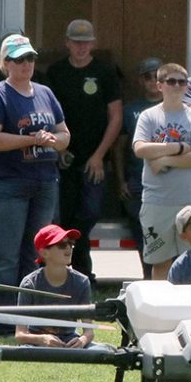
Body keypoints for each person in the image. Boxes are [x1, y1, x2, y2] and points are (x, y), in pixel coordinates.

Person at [0, 35, 70, 336]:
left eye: (30, 58)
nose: (26, 64)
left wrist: (53, 141)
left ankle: (27, 324)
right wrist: (32, 139)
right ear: (5, 64)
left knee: (35, 255)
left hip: (43, 182)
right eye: (18, 59)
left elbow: (64, 134)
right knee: (6, 256)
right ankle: (3, 326)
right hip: (5, 184)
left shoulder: (45, 93)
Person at [45, 19, 122, 281]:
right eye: (76, 42)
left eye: (86, 42)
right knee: (64, 216)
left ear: (93, 43)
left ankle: (79, 270)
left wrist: (100, 156)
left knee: (89, 213)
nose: (81, 47)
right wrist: (57, 150)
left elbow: (116, 117)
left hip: (94, 159)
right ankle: (78, 273)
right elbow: (48, 116)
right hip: (64, 158)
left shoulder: (105, 71)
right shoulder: (55, 72)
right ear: (67, 43)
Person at [132, 63, 191, 280]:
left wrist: (165, 158)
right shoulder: (148, 117)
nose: (177, 86)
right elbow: (140, 148)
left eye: (182, 82)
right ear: (160, 86)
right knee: (160, 262)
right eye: (171, 81)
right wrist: (178, 148)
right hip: (157, 202)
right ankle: (161, 310)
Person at [114, 57, 163, 278]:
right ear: (141, 80)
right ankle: (148, 277)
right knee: (144, 235)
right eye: (148, 77)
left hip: (166, 181)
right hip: (136, 181)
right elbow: (119, 148)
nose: (153, 81)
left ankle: (166, 279)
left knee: (164, 234)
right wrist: (120, 180)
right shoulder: (131, 109)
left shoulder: (173, 106)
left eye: (157, 76)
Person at [15, 224, 94, 348]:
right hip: (36, 341)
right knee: (24, 350)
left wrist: (82, 340)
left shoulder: (82, 282)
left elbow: (88, 331)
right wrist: (43, 339)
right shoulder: (30, 284)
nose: (68, 248)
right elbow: (20, 335)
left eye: (71, 243)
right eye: (62, 245)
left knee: (102, 350)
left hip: (70, 339)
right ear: (44, 252)